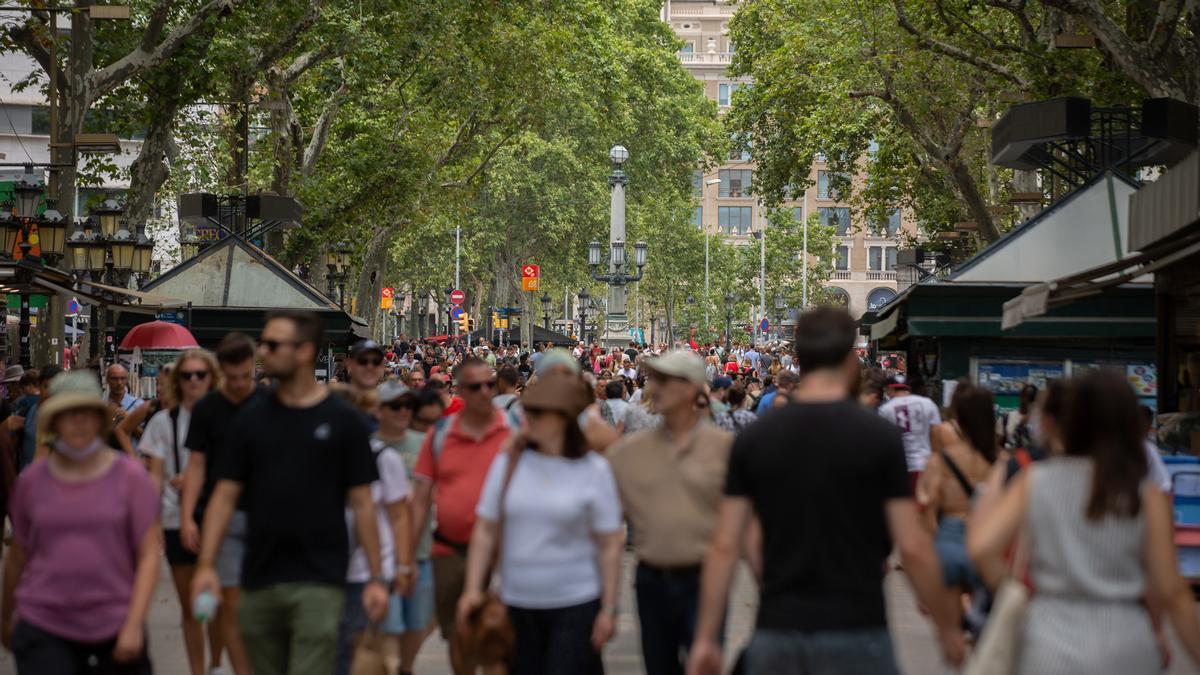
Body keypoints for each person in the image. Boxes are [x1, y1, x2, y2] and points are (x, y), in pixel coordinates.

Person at [688, 308, 964, 675]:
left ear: (799, 359)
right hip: (858, 630)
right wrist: (947, 629)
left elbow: (725, 543)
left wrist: (706, 638)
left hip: (778, 630)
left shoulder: (756, 438)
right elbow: (912, 546)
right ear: (851, 360)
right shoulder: (878, 437)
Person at [191, 311, 389, 675]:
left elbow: (363, 503)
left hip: (321, 578)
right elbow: (224, 494)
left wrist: (376, 578)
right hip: (259, 577)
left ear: (304, 351)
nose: (263, 350)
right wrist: (206, 565)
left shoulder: (343, 421)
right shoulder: (250, 420)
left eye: (273, 344)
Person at [968, 371, 1200, 673]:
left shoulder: (1035, 481)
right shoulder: (1146, 495)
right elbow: (1169, 589)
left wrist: (1020, 595)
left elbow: (982, 548)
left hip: (1048, 640)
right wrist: (1164, 634)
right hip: (1128, 643)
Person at [457, 373, 623, 674]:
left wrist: (609, 608)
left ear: (563, 418)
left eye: (537, 411)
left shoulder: (593, 470)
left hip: (576, 602)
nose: (527, 417)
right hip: (516, 603)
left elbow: (610, 543)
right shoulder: (509, 462)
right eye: (527, 409)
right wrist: (472, 589)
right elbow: (486, 527)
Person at [1, 371, 160, 674]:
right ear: (54, 420)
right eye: (68, 413)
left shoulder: (130, 478)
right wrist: (7, 618)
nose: (78, 422)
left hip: (115, 619)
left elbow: (149, 555)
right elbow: (18, 557)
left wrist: (135, 623)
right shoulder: (32, 483)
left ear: (100, 420)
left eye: (86, 413)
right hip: (43, 620)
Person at [607, 351, 733, 675]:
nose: (654, 387)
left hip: (705, 580)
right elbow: (605, 527)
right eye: (653, 379)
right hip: (651, 581)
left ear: (691, 388)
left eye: (664, 380)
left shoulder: (725, 449)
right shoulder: (630, 453)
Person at [410, 356, 516, 675]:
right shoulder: (441, 434)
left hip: (504, 553)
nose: (485, 392)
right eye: (475, 386)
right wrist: (408, 559)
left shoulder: (514, 431)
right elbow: (420, 500)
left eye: (490, 384)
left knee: (499, 639)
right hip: (448, 551)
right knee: (459, 637)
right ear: (459, 391)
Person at [179, 333, 262, 675]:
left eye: (246, 376)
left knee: (261, 606)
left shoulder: (270, 402)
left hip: (266, 517)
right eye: (233, 378)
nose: (240, 384)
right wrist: (186, 517)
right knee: (231, 603)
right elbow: (196, 465)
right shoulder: (208, 408)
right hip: (221, 515)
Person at [140, 350, 223, 675]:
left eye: (200, 375)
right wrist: (153, 522)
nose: (193, 382)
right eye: (187, 376)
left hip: (215, 519)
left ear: (211, 378)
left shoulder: (223, 418)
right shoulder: (163, 422)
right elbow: (155, 475)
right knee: (191, 606)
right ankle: (198, 670)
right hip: (176, 520)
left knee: (212, 603)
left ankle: (216, 664)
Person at [334, 380, 416, 675]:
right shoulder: (310, 455)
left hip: (365, 572)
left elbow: (399, 515)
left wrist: (399, 568)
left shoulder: (383, 457)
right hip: (318, 569)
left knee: (353, 651)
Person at [917, 381, 998, 635]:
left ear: (958, 417)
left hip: (950, 541)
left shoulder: (941, 462)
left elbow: (926, 509)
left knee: (952, 632)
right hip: (989, 541)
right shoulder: (1004, 462)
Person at [877, 374, 941, 494]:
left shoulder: (885, 409)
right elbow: (937, 435)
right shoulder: (928, 403)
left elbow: (883, 443)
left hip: (899, 468)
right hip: (925, 464)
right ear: (907, 388)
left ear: (890, 389)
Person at [115, 364, 176, 459]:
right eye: (157, 384)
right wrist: (133, 458)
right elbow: (121, 429)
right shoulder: (151, 406)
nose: (158, 389)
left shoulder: (189, 409)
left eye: (163, 384)